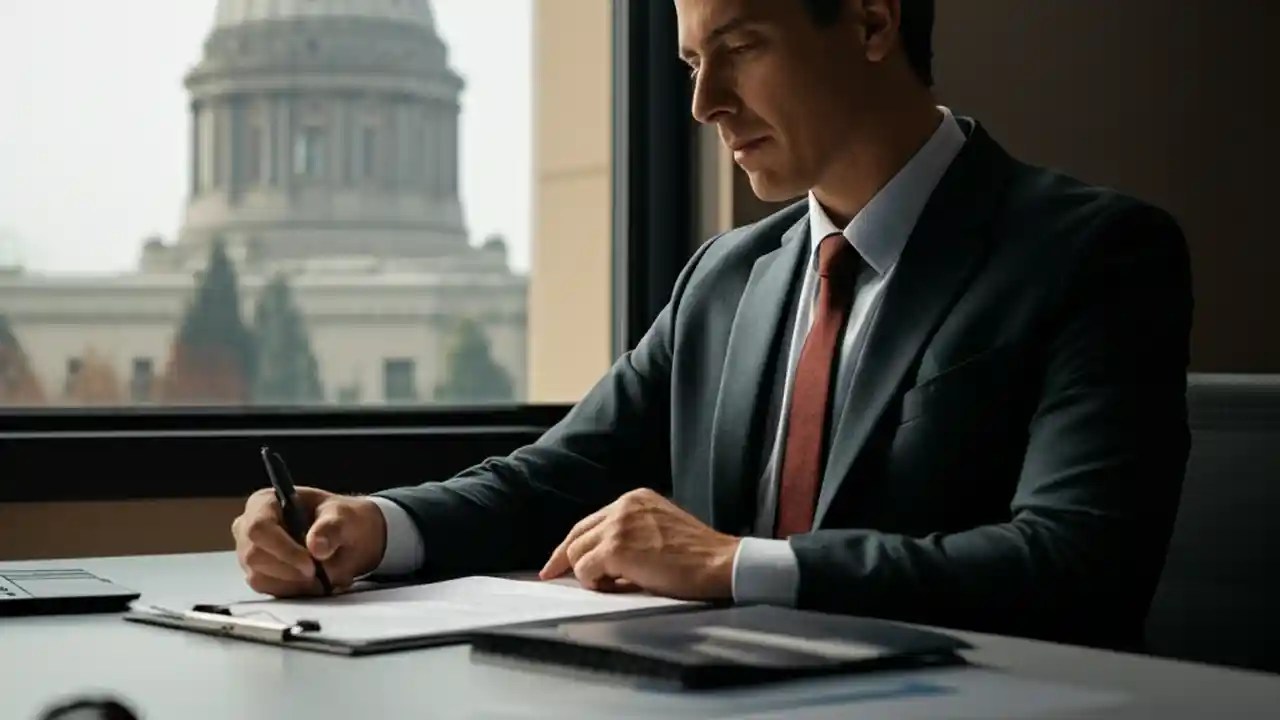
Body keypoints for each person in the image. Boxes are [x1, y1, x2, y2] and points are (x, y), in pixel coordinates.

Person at [232, 0, 1192, 650]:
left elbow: (1075, 568)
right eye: (692, 63)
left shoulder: (1096, 255)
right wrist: (372, 526)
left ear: (869, 20)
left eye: (738, 48)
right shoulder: (727, 278)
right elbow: (556, 478)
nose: (703, 104)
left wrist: (735, 565)